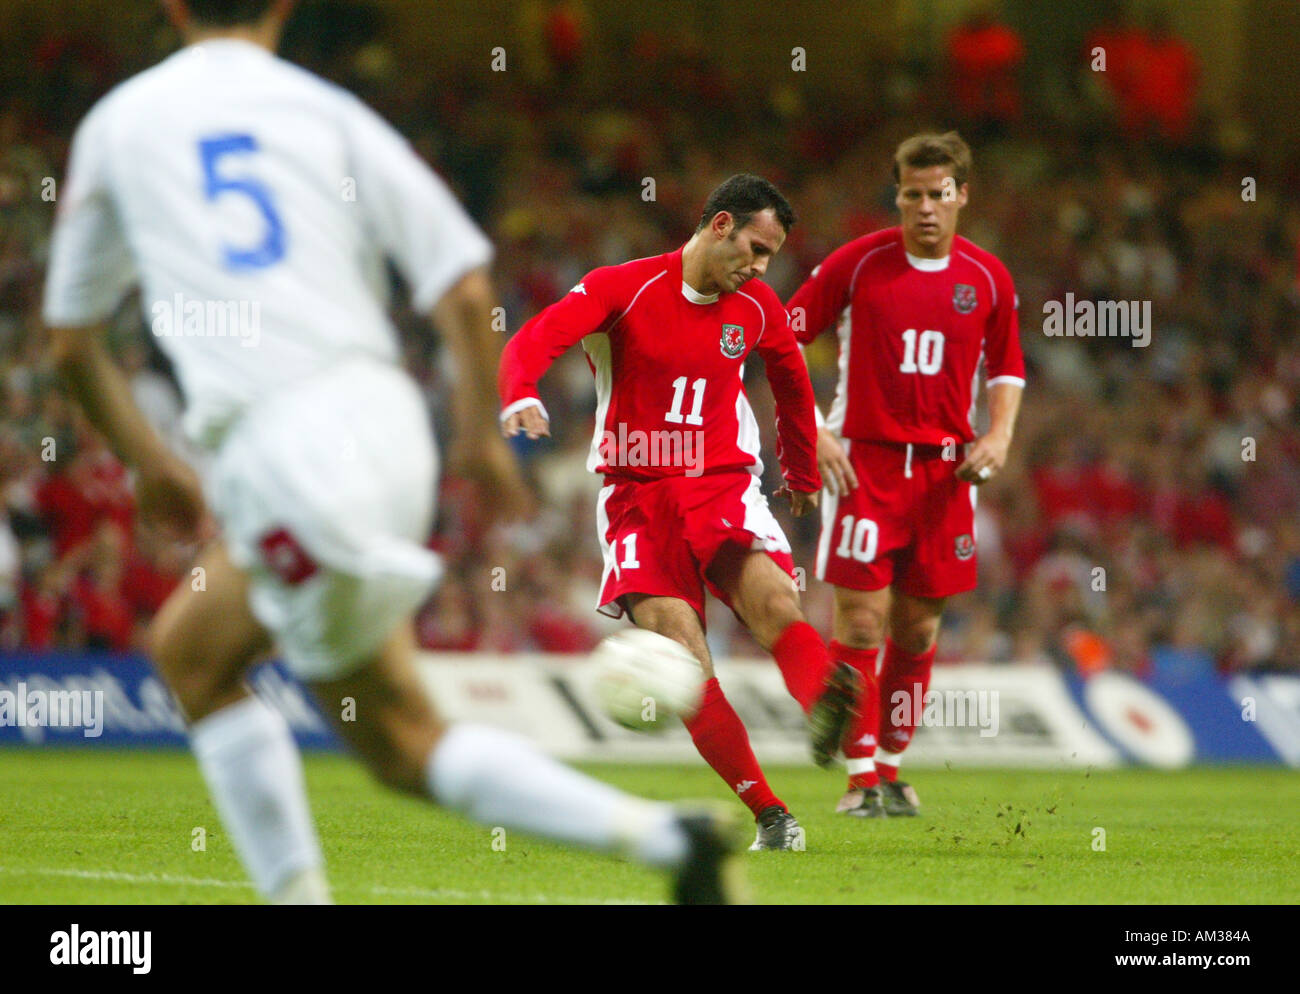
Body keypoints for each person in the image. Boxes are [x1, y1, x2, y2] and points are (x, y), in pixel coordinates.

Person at [43, 0, 744, 904]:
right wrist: (476, 439)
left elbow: (69, 340)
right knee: (193, 652)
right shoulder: (328, 111)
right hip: (385, 422)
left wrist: (149, 462)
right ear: (284, 7)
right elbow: (461, 283)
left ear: (173, 7)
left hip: (280, 449)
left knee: (399, 739)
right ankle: (662, 837)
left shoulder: (120, 122)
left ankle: (666, 838)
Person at [499, 174, 860, 851]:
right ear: (719, 225)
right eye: (754, 248)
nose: (758, 268)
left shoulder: (757, 306)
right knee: (685, 659)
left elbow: (790, 383)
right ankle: (772, 814)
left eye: (770, 258)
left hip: (720, 482)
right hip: (635, 499)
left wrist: (803, 474)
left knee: (774, 602)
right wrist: (521, 392)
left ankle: (825, 702)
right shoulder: (623, 287)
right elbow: (537, 338)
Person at [787, 132, 1025, 817]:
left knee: (918, 630)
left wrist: (1000, 433)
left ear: (962, 197)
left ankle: (891, 767)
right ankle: (858, 780)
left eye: (938, 194)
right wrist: (817, 431)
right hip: (865, 464)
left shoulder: (987, 279)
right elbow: (783, 338)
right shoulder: (856, 266)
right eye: (912, 194)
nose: (925, 207)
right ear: (897, 195)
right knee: (862, 622)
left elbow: (1007, 368)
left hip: (949, 476)